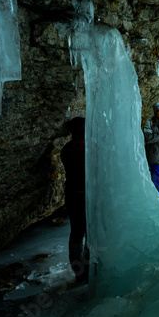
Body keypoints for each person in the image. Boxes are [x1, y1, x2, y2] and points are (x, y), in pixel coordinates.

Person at [61, 117, 89, 283]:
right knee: (89, 234)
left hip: (71, 193)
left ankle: (79, 272)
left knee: (76, 233)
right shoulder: (87, 148)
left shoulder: (66, 149)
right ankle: (88, 270)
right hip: (85, 194)